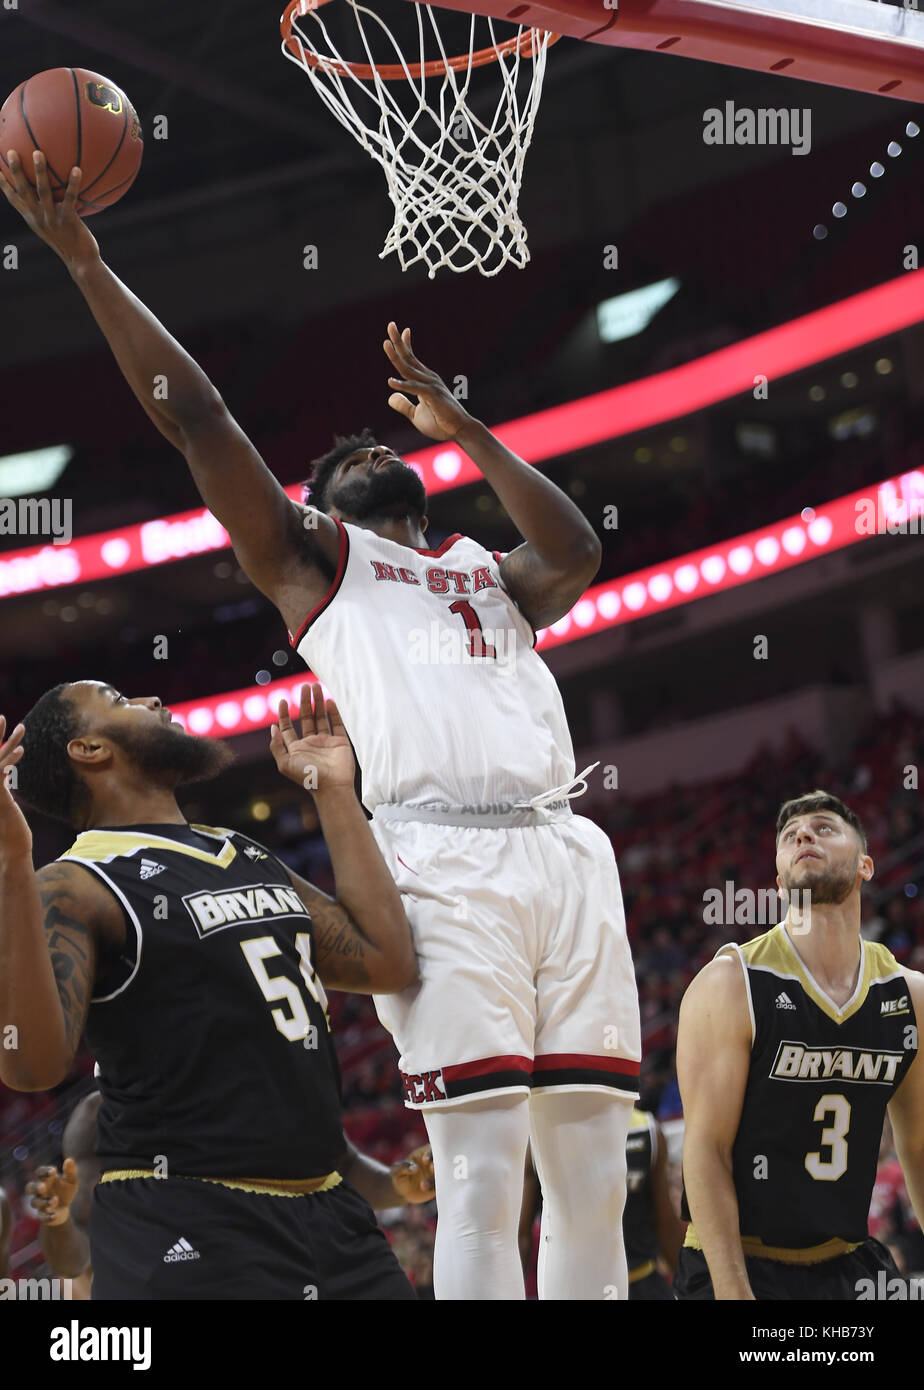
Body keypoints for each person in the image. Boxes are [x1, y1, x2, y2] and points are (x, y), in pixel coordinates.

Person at [1, 152, 641, 1300]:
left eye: (382, 450)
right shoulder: (319, 569)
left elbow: (581, 553)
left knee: (594, 1169)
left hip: (564, 843)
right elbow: (196, 420)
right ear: (320, 507)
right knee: (484, 1175)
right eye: (341, 461)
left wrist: (471, 425)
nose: (367, 452)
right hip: (437, 853)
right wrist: (87, 261)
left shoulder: (485, 570)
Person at [0, 682, 417, 1299]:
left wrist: (331, 792)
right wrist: (13, 864)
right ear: (88, 748)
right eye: (118, 699)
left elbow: (386, 961)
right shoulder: (74, 884)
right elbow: (30, 1066)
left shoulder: (241, 851)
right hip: (184, 1222)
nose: (151, 700)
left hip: (330, 1211)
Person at [676, 790, 924, 1300]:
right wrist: (733, 1292)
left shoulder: (910, 995)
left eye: (824, 828)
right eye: (790, 836)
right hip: (740, 1262)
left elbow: (919, 1145)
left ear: (865, 865)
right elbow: (705, 1151)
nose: (804, 835)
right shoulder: (731, 982)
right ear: (779, 880)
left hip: (848, 1259)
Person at [26, 1089, 434, 1298]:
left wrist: (395, 1186)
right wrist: (58, 1219)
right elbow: (76, 1258)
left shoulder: (255, 1075)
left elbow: (334, 1164)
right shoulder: (104, 1115)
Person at [518, 1109, 682, 1299]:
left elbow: (665, 1223)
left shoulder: (647, 1130)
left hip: (639, 1280)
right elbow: (522, 1234)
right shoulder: (540, 1134)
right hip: (576, 1287)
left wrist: (688, 1287)